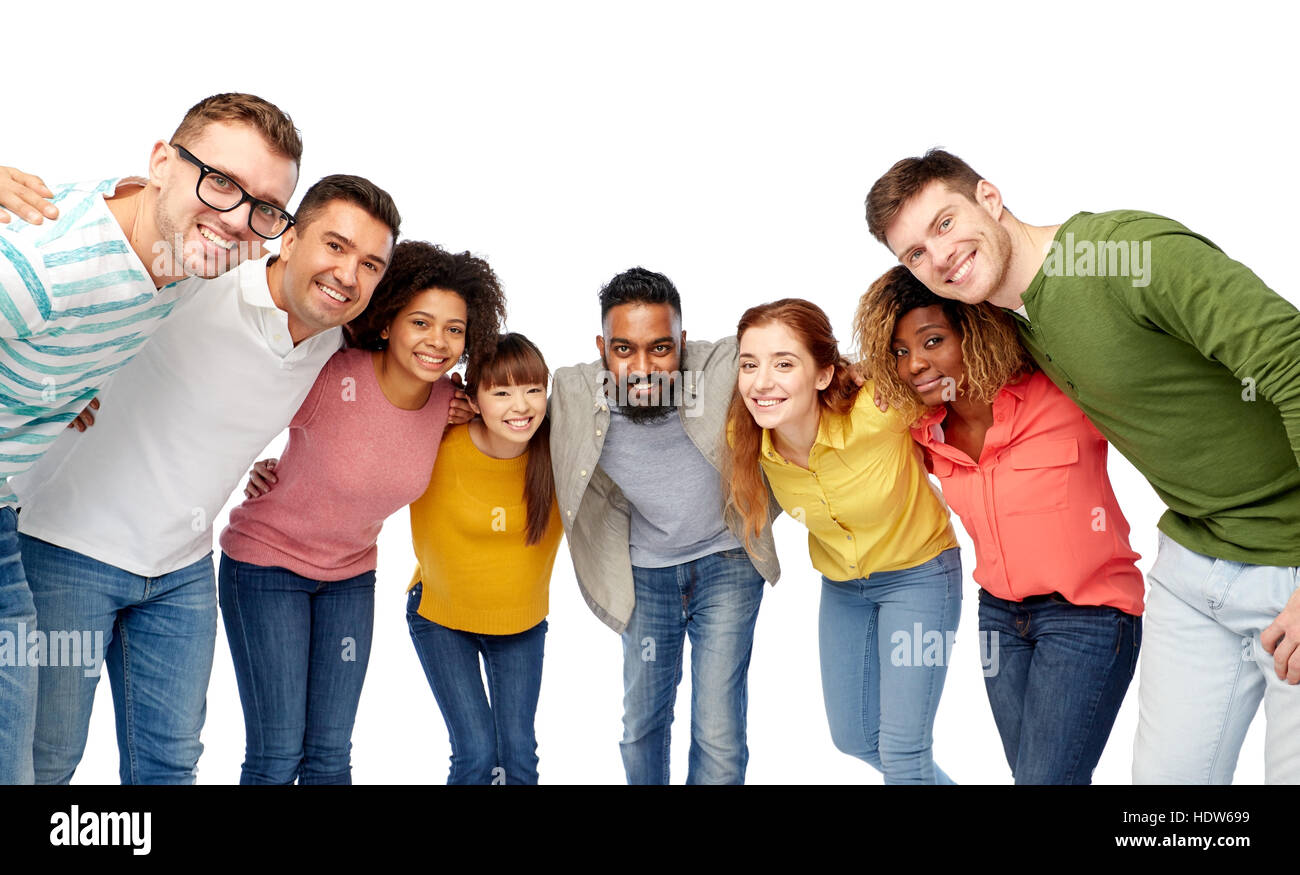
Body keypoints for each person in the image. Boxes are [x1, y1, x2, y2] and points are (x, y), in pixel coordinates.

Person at [866, 148, 1300, 784]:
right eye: (915, 254)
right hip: (1192, 564)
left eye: (945, 223)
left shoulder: (1125, 254)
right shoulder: (1010, 325)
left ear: (990, 197)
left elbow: (1290, 358)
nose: (940, 257)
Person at [11, 174, 407, 784]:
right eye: (334, 245)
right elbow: (128, 226)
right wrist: (68, 380)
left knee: (170, 768)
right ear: (290, 235)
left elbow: (409, 367)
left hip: (181, 569)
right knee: (46, 761)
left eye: (371, 264)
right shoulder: (204, 275)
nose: (348, 274)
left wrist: (460, 404)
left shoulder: (338, 345)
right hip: (69, 544)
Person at [0, 92, 301, 783]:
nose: (235, 219)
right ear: (161, 161)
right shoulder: (40, 269)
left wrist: (66, 387)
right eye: (220, 181)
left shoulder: (183, 255)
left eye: (262, 207)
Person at [223, 240, 505, 784]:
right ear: (389, 320)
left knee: (330, 755)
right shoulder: (334, 372)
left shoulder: (448, 403)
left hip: (350, 578)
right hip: (266, 567)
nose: (438, 342)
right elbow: (242, 407)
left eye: (454, 329)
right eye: (421, 322)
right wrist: (253, 465)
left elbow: (517, 425)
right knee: (277, 756)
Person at [857, 265, 1144, 783]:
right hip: (1000, 622)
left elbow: (1156, 409)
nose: (916, 363)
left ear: (974, 331)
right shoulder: (922, 430)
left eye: (933, 340)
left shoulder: (1061, 394)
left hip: (1089, 617)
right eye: (899, 352)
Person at [548, 267, 781, 784]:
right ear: (601, 346)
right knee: (642, 725)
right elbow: (509, 410)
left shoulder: (724, 366)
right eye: (623, 349)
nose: (643, 366)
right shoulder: (571, 391)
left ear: (682, 339)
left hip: (728, 562)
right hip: (644, 571)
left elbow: (801, 362)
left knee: (719, 730)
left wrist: (848, 371)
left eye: (660, 348)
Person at [725, 298, 961, 784]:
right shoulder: (746, 436)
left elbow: (946, 375)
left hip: (920, 576)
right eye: (749, 364)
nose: (761, 381)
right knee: (854, 737)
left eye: (784, 363)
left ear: (823, 374)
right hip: (843, 587)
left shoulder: (879, 409)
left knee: (903, 749)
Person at [405, 332, 562, 784]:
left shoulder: (560, 454)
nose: (521, 406)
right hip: (440, 617)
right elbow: (370, 448)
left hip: (521, 625)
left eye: (534, 389)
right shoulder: (438, 440)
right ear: (473, 398)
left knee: (518, 757)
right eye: (502, 392)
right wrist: (279, 473)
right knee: (475, 754)